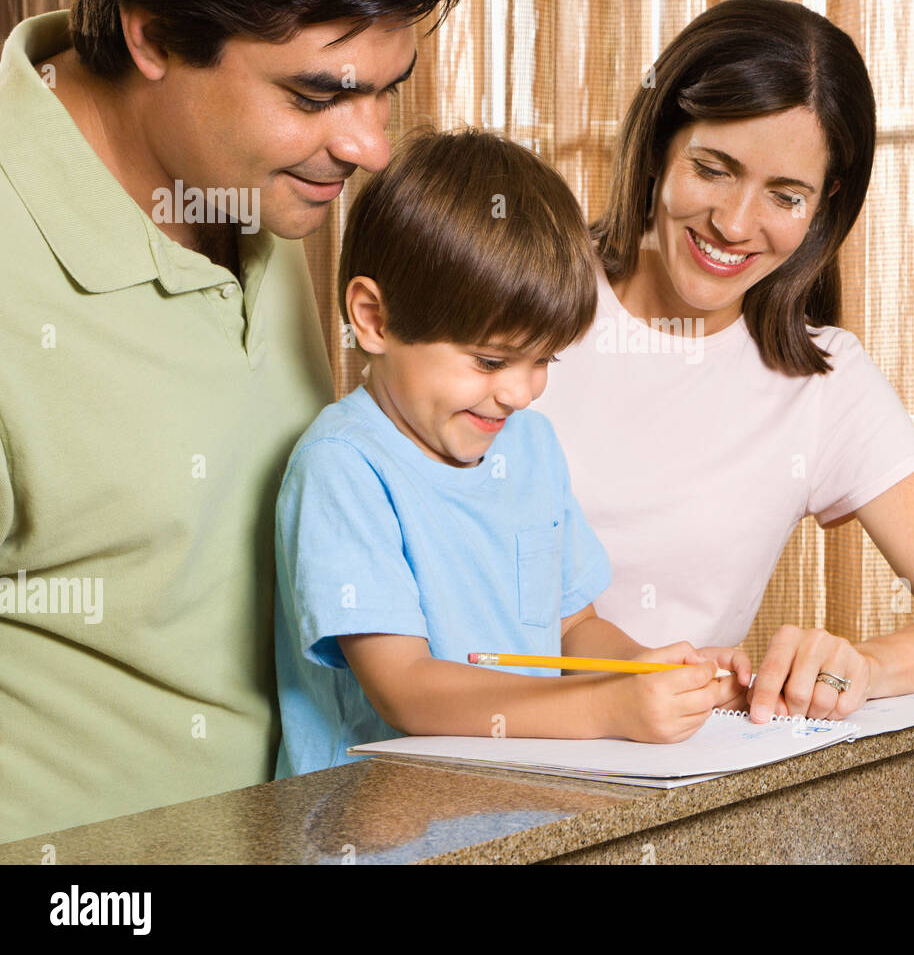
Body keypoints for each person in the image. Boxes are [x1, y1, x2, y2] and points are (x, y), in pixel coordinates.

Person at [0, 0, 466, 843]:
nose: (371, 147)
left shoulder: (244, 191)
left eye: (389, 93)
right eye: (317, 94)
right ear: (153, 32)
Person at [532, 0, 914, 726]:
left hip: (670, 783)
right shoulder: (521, 299)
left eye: (785, 195)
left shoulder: (820, 380)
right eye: (713, 169)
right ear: (659, 149)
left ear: (824, 203)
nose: (735, 224)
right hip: (473, 753)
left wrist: (863, 666)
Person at [275, 128, 749, 777]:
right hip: (373, 832)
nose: (522, 393)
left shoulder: (529, 446)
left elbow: (574, 628)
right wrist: (609, 709)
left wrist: (659, 669)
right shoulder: (343, 466)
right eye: (492, 360)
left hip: (511, 811)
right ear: (374, 319)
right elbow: (406, 689)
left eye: (543, 360)